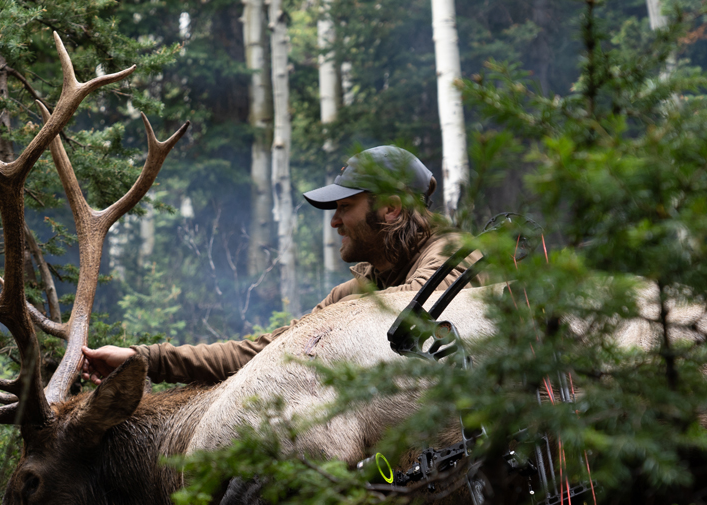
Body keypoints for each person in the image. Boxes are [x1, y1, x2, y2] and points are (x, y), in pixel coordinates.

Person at [81, 145, 478, 386]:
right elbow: (267, 352)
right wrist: (144, 359)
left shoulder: (454, 253)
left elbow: (426, 305)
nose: (334, 221)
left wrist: (330, 324)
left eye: (344, 207)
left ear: (391, 208)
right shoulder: (357, 293)